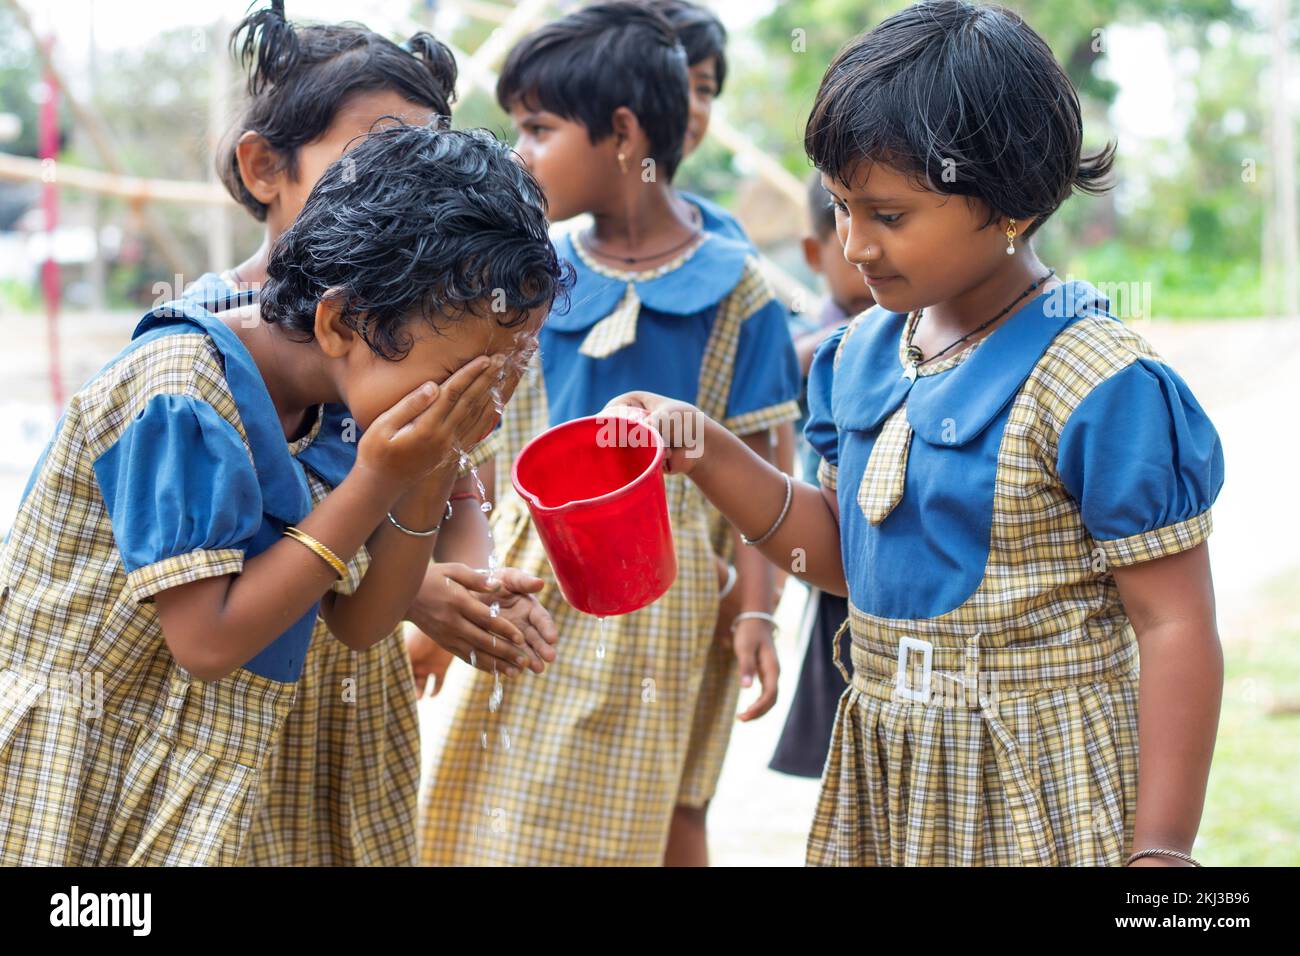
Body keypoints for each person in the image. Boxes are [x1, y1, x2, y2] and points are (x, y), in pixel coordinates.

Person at [606, 0, 1225, 866]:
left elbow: (1174, 625)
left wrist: (1162, 851)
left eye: (887, 215)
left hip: (1043, 786)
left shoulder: (1098, 383)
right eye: (840, 207)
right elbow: (842, 561)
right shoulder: (856, 355)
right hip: (891, 773)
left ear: (1008, 200)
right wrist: (706, 448)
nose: (853, 246)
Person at [0, 120, 566, 866]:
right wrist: (377, 477)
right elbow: (208, 639)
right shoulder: (183, 387)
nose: (482, 402)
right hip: (87, 750)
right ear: (340, 321)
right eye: (464, 375)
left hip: (193, 752)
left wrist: (428, 471)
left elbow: (364, 623)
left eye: (505, 370)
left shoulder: (353, 396)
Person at [421, 2, 801, 867]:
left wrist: (757, 611)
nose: (519, 150)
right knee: (502, 812)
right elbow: (470, 459)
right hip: (530, 587)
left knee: (658, 814)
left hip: (665, 602)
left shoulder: (737, 290)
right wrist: (449, 588)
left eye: (539, 128)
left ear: (623, 132)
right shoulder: (529, 274)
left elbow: (769, 475)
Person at [205, 2, 558, 866]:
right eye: (373, 155)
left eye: (424, 153)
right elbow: (209, 605)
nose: (407, 182)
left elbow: (452, 484)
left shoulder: (433, 335)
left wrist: (462, 586)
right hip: (226, 709)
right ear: (263, 167)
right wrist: (410, 585)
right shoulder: (205, 353)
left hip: (344, 700)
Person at [767, 174, 873, 779]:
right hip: (833, 544)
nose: (864, 251)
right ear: (815, 253)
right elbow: (782, 369)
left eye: (891, 217)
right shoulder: (818, 341)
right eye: (847, 226)